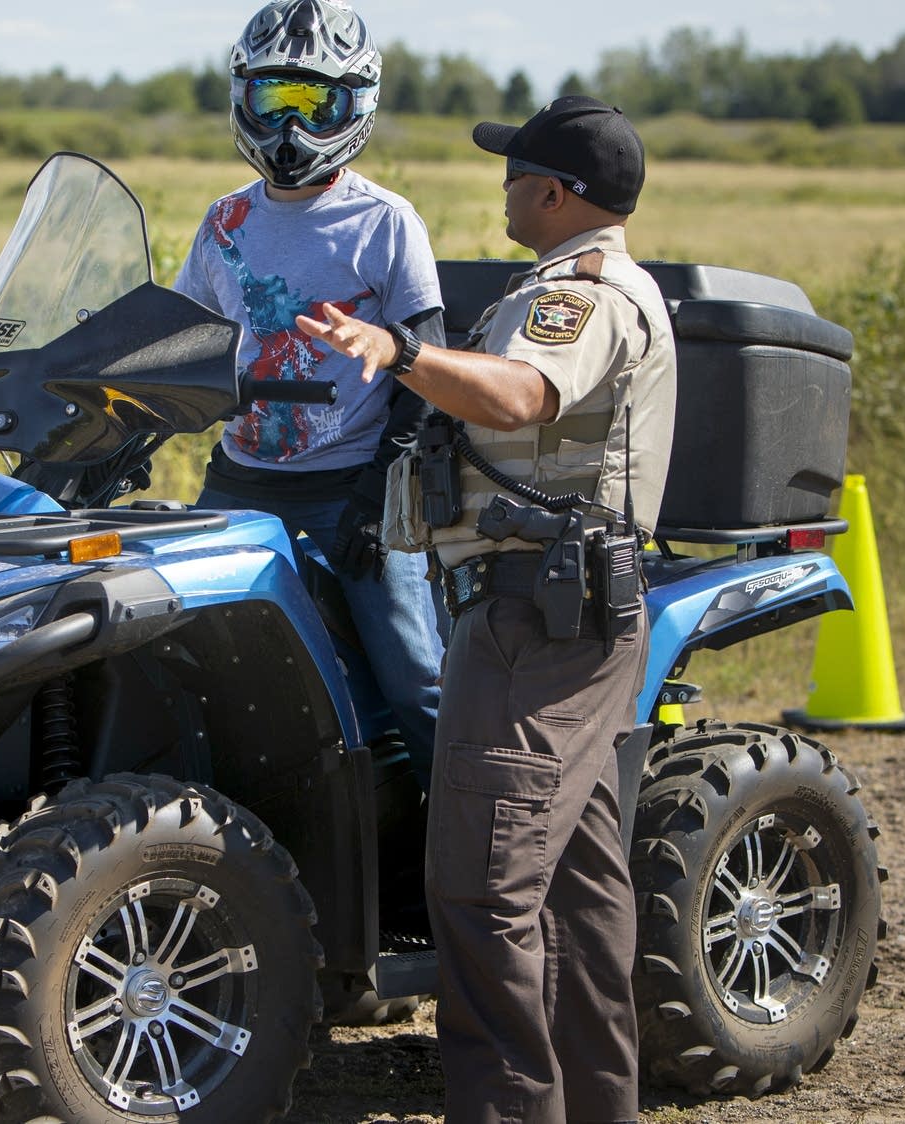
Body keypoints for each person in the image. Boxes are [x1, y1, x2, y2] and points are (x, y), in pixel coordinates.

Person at [298, 95, 676, 1124]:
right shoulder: (573, 282)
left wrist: (399, 352)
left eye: (515, 171)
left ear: (553, 193)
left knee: (480, 886)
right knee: (573, 890)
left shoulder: (583, 296)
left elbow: (517, 397)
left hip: (533, 622)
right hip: (552, 613)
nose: (502, 183)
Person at [173, 0, 446, 786]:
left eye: (313, 102)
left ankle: (450, 862)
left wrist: (374, 492)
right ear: (242, 97)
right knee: (187, 665)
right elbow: (190, 343)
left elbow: (427, 371)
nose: (290, 127)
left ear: (354, 104)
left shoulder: (384, 222)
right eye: (274, 100)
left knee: (418, 679)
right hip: (237, 482)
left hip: (349, 489)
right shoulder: (224, 221)